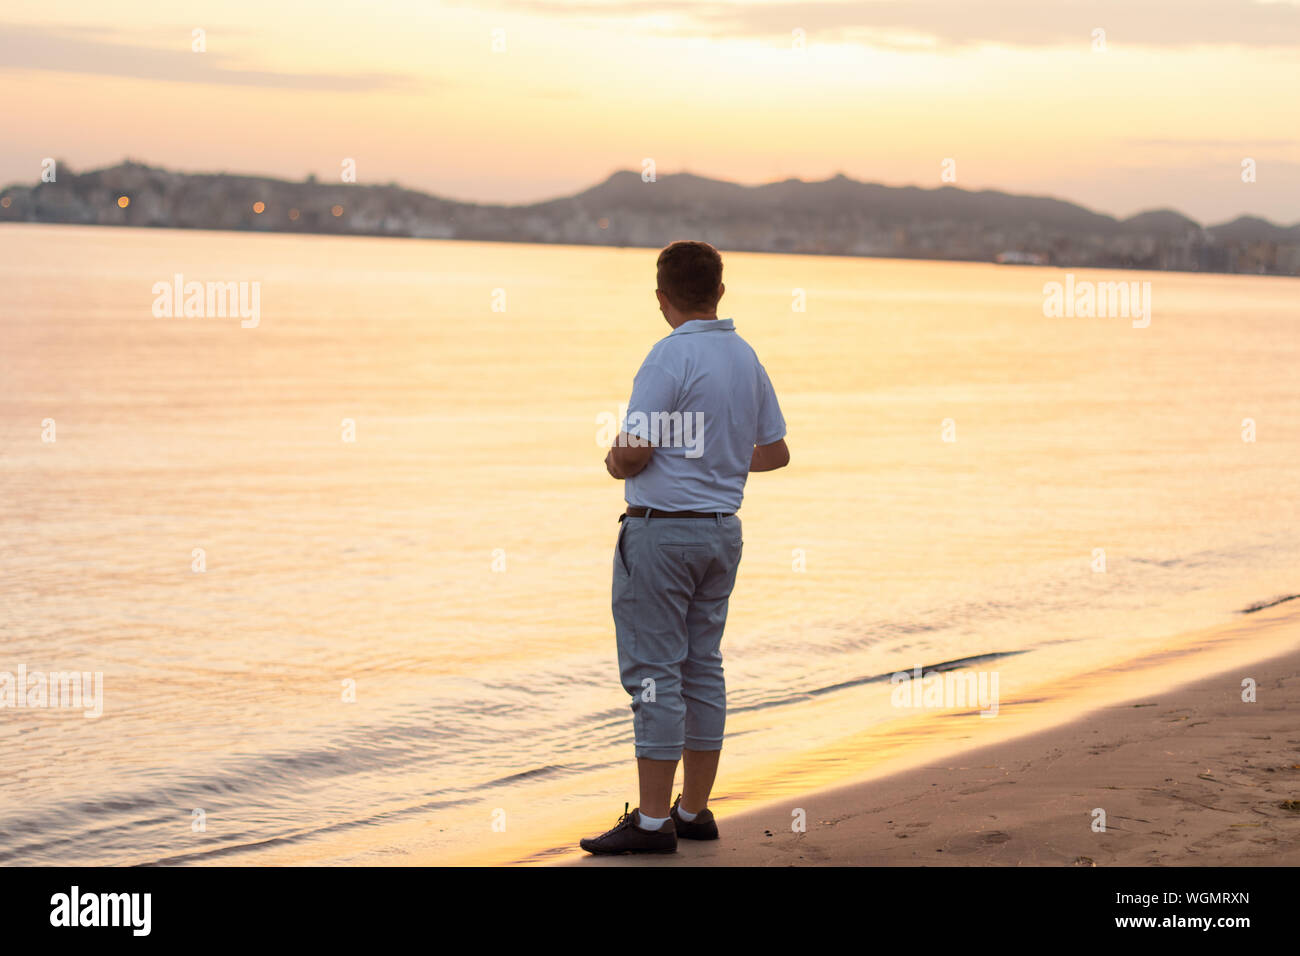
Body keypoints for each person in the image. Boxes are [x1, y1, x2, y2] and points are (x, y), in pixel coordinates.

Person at [581, 240, 790, 855]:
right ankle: (694, 810)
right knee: (703, 667)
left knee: (654, 674)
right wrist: (719, 459)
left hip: (662, 531)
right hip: (722, 530)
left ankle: (651, 823)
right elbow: (775, 451)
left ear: (661, 297)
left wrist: (614, 457)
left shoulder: (668, 357)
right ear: (720, 290)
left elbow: (635, 452)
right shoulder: (746, 358)